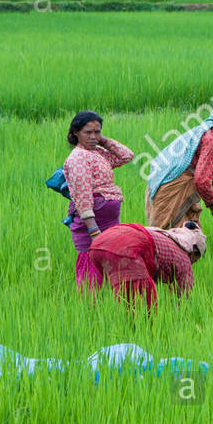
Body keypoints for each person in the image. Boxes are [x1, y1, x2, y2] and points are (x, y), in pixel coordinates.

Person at [144, 103, 213, 230]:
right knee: (170, 231)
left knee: (188, 233)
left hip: (186, 188)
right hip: (174, 185)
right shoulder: (211, 139)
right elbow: (201, 181)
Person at [63, 111, 134, 290]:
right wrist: (93, 231)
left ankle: (107, 302)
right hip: (93, 221)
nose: (93, 136)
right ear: (75, 133)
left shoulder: (98, 153)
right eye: (88, 132)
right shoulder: (78, 158)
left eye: (97, 132)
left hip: (108, 219)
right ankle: (89, 306)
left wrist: (102, 140)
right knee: (90, 259)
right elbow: (82, 195)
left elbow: (126, 155)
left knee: (109, 257)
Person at [82, 221, 206, 309]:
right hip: (126, 246)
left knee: (111, 295)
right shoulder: (184, 259)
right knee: (143, 308)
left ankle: (95, 314)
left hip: (98, 245)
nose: (194, 262)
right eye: (196, 258)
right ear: (194, 250)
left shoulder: (164, 236)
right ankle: (139, 336)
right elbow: (184, 298)